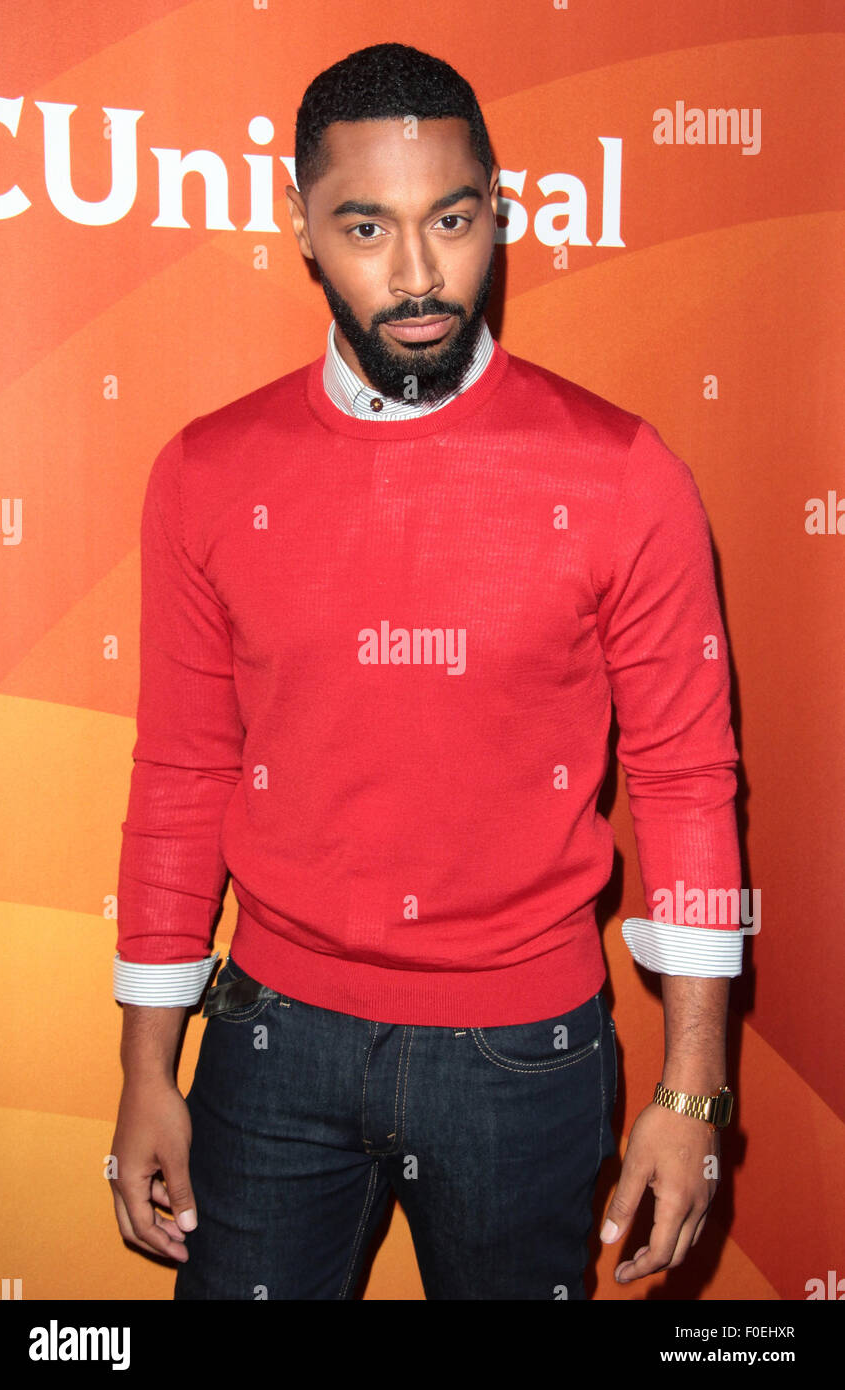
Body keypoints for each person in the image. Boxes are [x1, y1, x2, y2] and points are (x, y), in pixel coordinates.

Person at [110, 42, 743, 1301]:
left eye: (449, 221)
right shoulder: (205, 473)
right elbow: (182, 774)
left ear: (497, 215)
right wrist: (144, 1069)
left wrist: (691, 1090)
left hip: (528, 1054)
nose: (414, 275)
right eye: (364, 227)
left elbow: (684, 783)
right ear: (299, 227)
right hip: (268, 1039)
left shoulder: (622, 472)